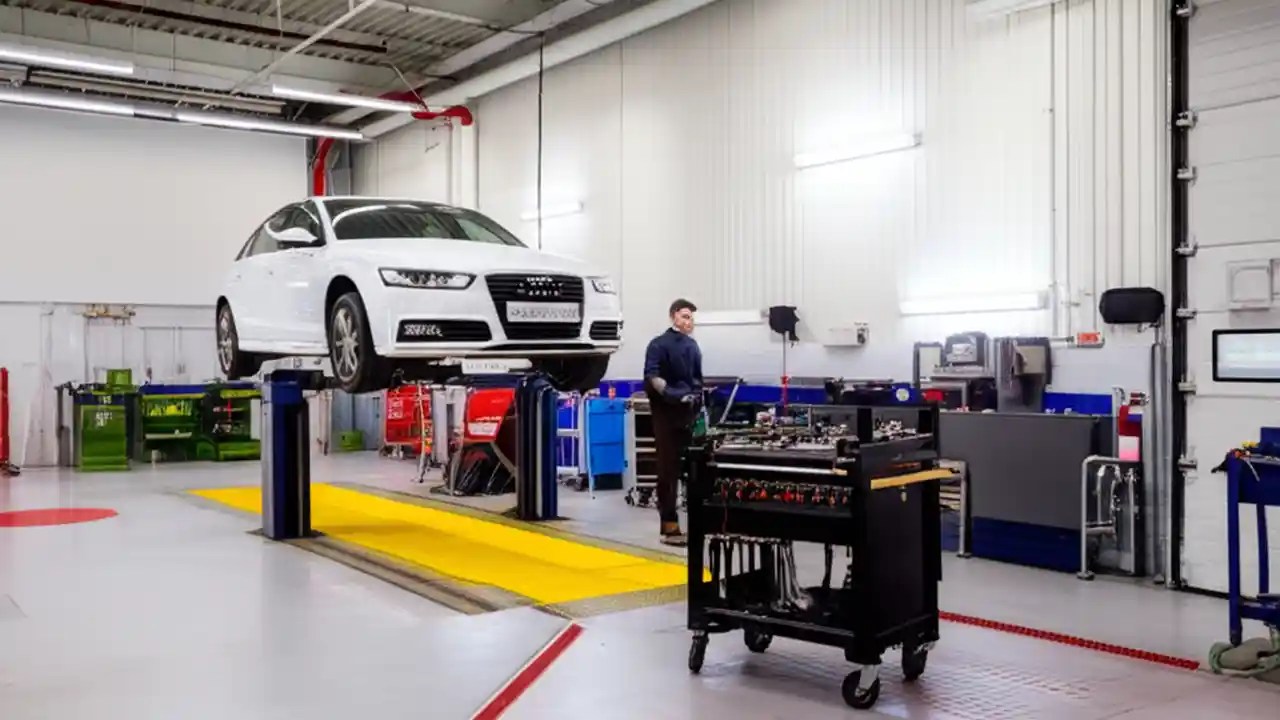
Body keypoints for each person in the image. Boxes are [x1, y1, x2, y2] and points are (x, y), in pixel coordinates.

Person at [643, 298, 704, 546]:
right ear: (673, 317)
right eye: (685, 316)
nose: (689, 322)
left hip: (689, 416)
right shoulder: (658, 345)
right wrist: (676, 396)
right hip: (666, 416)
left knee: (695, 470)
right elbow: (652, 378)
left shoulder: (693, 346)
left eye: (691, 318)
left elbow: (698, 379)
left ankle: (698, 524)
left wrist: (696, 399)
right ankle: (669, 527)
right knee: (668, 472)